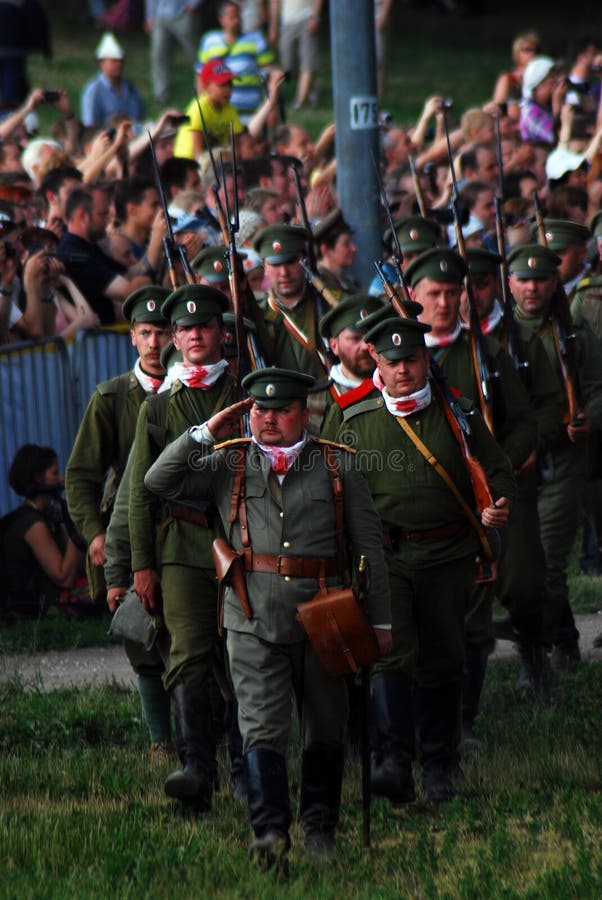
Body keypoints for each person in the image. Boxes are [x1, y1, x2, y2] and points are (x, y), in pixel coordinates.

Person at [144, 367, 391, 865]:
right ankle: (270, 832)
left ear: (306, 413)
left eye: (280, 410)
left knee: (324, 725)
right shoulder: (229, 460)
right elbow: (158, 480)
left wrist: (381, 623)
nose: (268, 419)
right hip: (250, 616)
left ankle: (319, 827)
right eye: (259, 409)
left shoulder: (337, 465)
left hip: (324, 615)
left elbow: (369, 547)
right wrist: (205, 432)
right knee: (260, 724)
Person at [333, 315, 515, 804]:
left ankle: (440, 765)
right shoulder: (350, 417)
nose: (403, 371)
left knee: (443, 657)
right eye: (392, 362)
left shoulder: (457, 412)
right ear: (375, 359)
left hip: (448, 554)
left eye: (412, 359)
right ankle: (393, 761)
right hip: (385, 557)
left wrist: (497, 504)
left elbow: (498, 472)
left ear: (425, 358)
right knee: (392, 652)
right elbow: (330, 487)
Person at [128, 283, 242, 812]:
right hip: (179, 543)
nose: (195, 336)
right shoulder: (160, 406)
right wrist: (141, 566)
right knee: (189, 655)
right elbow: (137, 491)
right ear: (174, 339)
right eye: (185, 329)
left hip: (244, 539)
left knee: (245, 656)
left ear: (221, 332)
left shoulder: (248, 392)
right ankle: (198, 770)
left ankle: (245, 770)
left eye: (205, 326)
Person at [65, 285, 173, 753]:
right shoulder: (111, 397)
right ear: (132, 338)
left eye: (162, 331)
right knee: (141, 635)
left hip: (184, 525)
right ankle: (161, 741)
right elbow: (81, 474)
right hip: (129, 528)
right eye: (145, 333)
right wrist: (94, 533)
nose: (154, 343)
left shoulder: (187, 389)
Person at [508, 243, 602, 669]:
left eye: (541, 279)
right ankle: (563, 636)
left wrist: (587, 419)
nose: (532, 288)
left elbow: (597, 389)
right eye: (524, 280)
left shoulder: (576, 331)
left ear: (555, 281)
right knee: (524, 567)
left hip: (564, 457)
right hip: (520, 459)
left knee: (548, 557)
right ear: (510, 283)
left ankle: (542, 657)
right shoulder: (499, 338)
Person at [2, 444, 87, 618]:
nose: (61, 478)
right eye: (54, 473)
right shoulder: (32, 523)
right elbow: (65, 578)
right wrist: (75, 522)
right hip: (35, 609)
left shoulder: (48, 516)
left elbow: (78, 565)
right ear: (37, 478)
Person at [197, 1, 275, 124]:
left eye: (239, 16)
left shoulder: (256, 40)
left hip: (252, 113)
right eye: (232, 17)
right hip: (219, 114)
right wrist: (202, 108)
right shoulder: (209, 41)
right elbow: (200, 76)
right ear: (221, 20)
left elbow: (270, 75)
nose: (237, 21)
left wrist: (270, 106)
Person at [145, 1, 205, 106]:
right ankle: (161, 96)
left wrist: (194, 3)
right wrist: (149, 15)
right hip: (160, 15)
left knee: (198, 55)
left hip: (182, 13)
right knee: (158, 56)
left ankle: (206, 90)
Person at [80, 32, 145, 128]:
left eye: (120, 60)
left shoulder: (130, 86)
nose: (118, 64)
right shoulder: (94, 90)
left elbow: (141, 116)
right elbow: (90, 126)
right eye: (114, 61)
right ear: (101, 62)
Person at [269, 0, 323, 110]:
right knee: (288, 68)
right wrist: (273, 28)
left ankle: (299, 102)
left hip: (307, 18)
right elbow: (274, 2)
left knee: (307, 63)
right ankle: (312, 87)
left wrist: (316, 16)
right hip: (287, 22)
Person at [313, 208, 360, 298]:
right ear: (325, 250)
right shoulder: (322, 286)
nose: (354, 248)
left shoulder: (344, 281)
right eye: (346, 244)